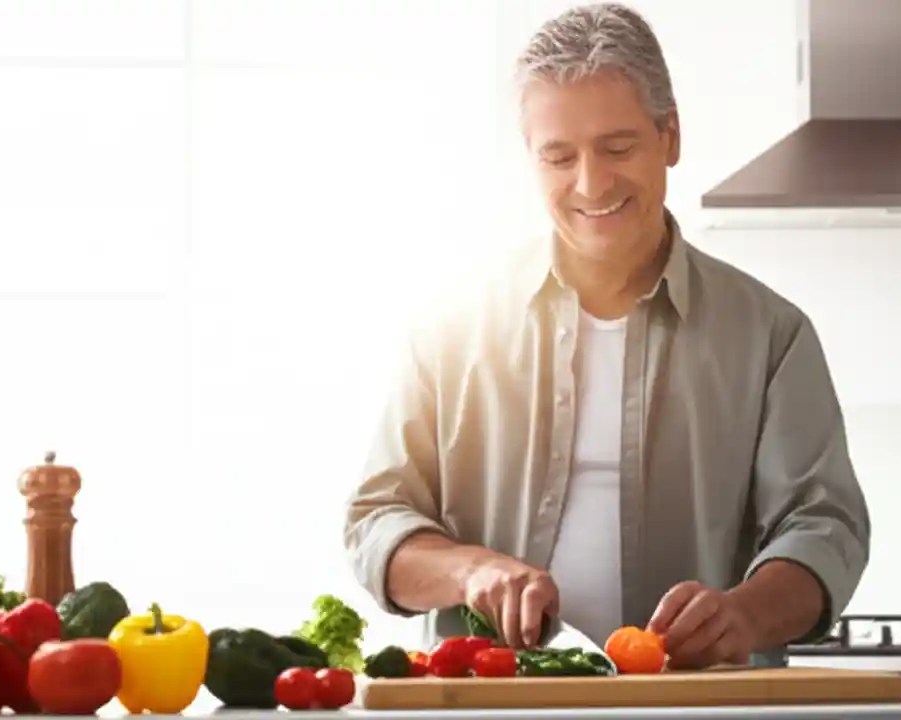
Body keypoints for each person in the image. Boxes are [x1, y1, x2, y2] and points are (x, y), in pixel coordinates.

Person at [343, 2, 870, 670]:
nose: (591, 183)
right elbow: (376, 523)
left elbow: (825, 529)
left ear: (670, 137)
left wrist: (745, 613)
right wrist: (471, 571)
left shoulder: (771, 336)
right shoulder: (451, 332)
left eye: (618, 148)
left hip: (699, 710)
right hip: (495, 706)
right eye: (559, 156)